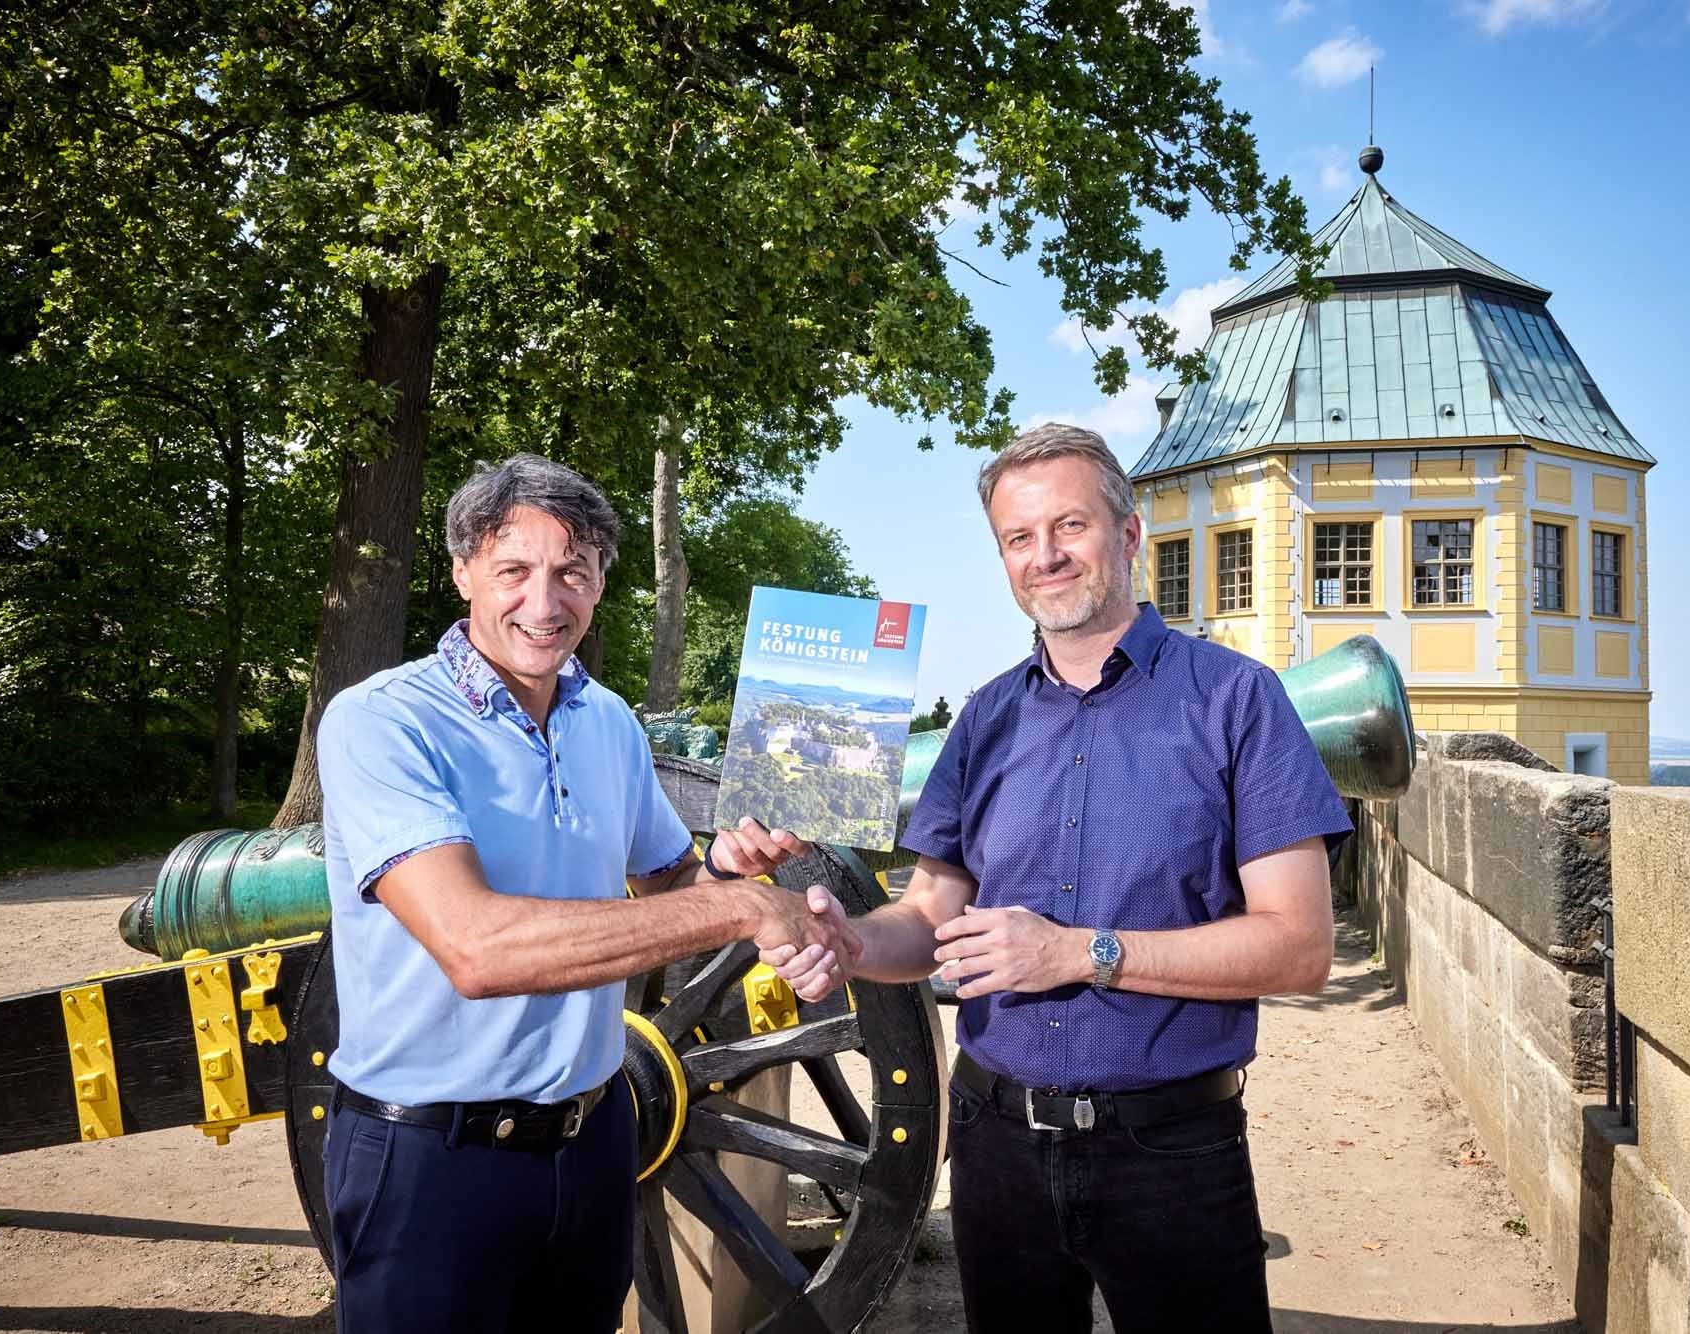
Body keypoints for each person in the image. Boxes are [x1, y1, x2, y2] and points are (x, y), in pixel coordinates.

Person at [778, 424, 1353, 1333]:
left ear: (1128, 535)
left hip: (1171, 1152)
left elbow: (1300, 947)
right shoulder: (984, 718)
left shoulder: (1239, 699)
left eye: (1069, 526)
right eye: (1019, 537)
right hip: (995, 1145)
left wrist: (1080, 953)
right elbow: (927, 915)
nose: (1044, 556)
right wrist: (851, 943)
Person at [316, 453, 856, 1334]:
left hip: (596, 1141)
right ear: (462, 573)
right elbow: (477, 950)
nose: (544, 601)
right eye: (513, 571)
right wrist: (741, 909)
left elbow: (670, 879)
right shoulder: (382, 721)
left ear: (602, 581)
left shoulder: (606, 719)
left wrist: (735, 870)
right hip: (429, 1158)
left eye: (573, 571)